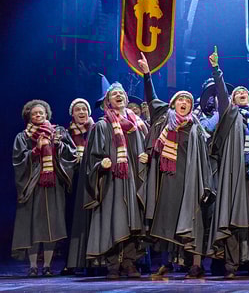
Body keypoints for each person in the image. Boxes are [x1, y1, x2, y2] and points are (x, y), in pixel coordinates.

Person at [138, 53, 213, 279]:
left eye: (188, 101)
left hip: (189, 180)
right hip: (168, 179)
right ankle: (168, 263)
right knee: (167, 220)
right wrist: (147, 74)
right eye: (181, 100)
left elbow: (203, 157)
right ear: (173, 103)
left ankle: (196, 264)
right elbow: (151, 98)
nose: (184, 103)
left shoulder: (196, 127)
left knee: (193, 219)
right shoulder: (164, 119)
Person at [207, 47, 249, 278]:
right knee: (234, 219)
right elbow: (222, 94)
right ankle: (231, 265)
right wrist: (217, 70)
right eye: (238, 92)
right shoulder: (231, 114)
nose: (242, 92)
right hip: (235, 173)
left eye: (245, 91)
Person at [83, 80, 148, 279]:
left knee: (132, 219)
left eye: (121, 93)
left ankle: (129, 263)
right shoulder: (102, 125)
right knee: (113, 218)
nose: (118, 96)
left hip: (132, 178)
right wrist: (100, 164)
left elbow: (144, 147)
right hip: (112, 180)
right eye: (114, 94)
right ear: (108, 102)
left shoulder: (137, 125)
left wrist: (146, 157)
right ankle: (112, 265)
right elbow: (92, 155)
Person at [12, 99, 77, 277]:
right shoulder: (23, 137)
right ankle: (33, 266)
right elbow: (18, 160)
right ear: (29, 117)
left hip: (53, 184)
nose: (38, 115)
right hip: (33, 185)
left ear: (47, 114)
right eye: (34, 113)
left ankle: (47, 266)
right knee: (32, 226)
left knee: (52, 225)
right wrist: (35, 151)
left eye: (41, 112)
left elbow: (71, 154)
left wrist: (59, 145)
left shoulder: (58, 132)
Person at [65, 98, 97, 275]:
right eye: (78, 109)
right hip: (73, 180)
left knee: (91, 220)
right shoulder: (66, 133)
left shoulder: (96, 130)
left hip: (91, 179)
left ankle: (92, 262)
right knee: (73, 222)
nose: (82, 112)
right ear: (72, 114)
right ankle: (72, 261)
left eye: (84, 109)